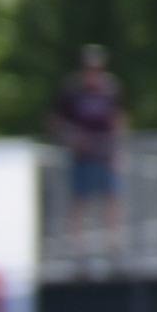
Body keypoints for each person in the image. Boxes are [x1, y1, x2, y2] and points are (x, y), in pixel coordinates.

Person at [48, 44, 129, 256]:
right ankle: (76, 245)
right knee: (79, 199)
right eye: (88, 69)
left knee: (112, 196)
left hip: (106, 152)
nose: (93, 73)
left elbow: (118, 118)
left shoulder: (110, 88)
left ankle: (114, 243)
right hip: (82, 154)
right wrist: (70, 134)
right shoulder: (71, 91)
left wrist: (119, 148)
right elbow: (53, 119)